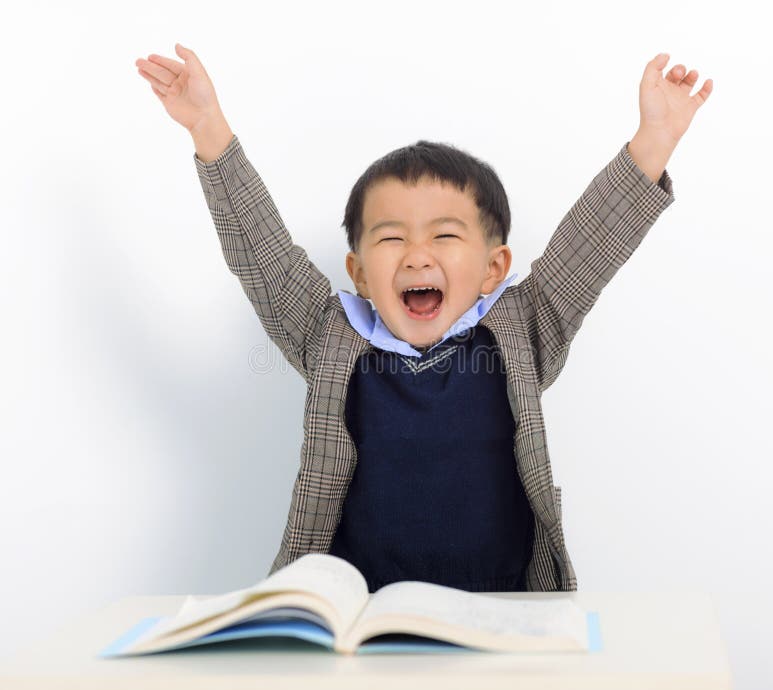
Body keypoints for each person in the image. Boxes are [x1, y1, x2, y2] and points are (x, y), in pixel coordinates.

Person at [134, 44, 712, 592]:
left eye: (444, 234)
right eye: (391, 238)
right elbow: (264, 257)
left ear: (493, 268)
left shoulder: (521, 330)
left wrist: (653, 141)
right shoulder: (329, 335)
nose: (417, 254)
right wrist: (209, 129)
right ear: (359, 273)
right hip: (357, 616)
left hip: (502, 612)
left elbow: (590, 244)